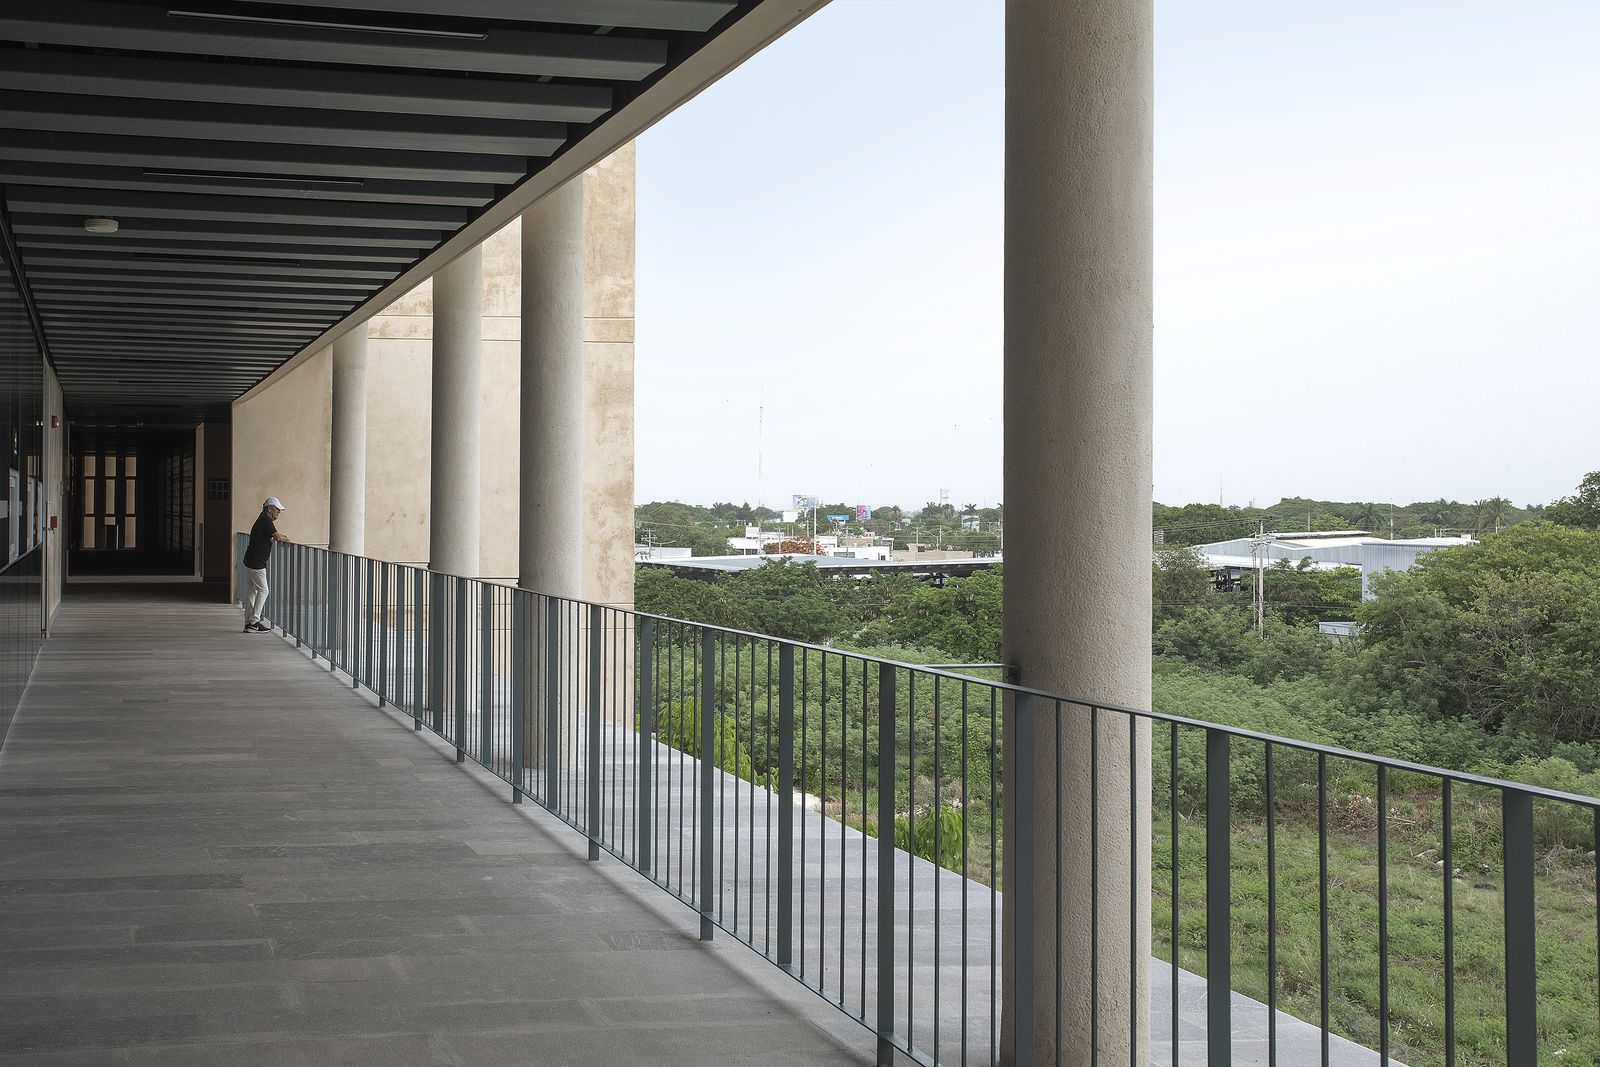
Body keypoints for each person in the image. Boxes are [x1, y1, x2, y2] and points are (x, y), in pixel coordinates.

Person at [243, 497, 289, 633]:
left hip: (251, 560)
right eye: (277, 511)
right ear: (270, 509)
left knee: (252, 592)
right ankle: (254, 621)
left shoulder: (263, 519)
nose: (278, 514)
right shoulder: (265, 520)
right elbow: (278, 537)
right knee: (264, 591)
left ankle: (248, 623)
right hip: (256, 562)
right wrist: (286, 537)